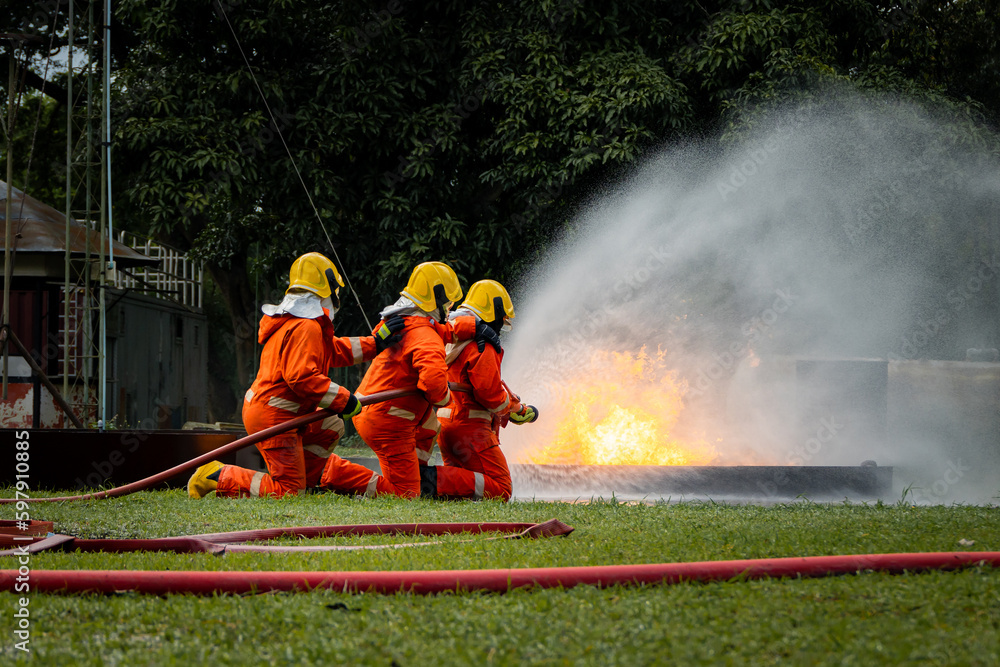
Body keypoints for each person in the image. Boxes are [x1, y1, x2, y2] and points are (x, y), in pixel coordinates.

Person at [187, 252, 404, 499]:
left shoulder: (298, 323)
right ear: (328, 289)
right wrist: (344, 400)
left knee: (330, 425)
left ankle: (308, 480)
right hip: (275, 416)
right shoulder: (306, 326)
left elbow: (333, 350)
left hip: (279, 410)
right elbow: (301, 377)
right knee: (288, 492)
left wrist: (376, 343)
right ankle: (217, 475)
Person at [318, 261, 500, 498]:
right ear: (435, 299)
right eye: (447, 303)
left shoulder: (408, 322)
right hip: (390, 421)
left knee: (429, 425)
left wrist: (475, 327)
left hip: (382, 412)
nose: (449, 309)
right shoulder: (426, 338)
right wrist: (447, 397)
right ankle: (330, 472)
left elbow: (446, 330)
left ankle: (417, 474)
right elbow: (435, 388)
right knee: (405, 493)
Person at [418, 279, 537, 501]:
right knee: (500, 488)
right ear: (495, 312)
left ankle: (431, 483)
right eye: (502, 320)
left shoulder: (453, 338)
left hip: (447, 426)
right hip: (471, 430)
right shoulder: (483, 345)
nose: (500, 327)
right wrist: (517, 408)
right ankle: (427, 480)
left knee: (461, 485)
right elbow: (490, 395)